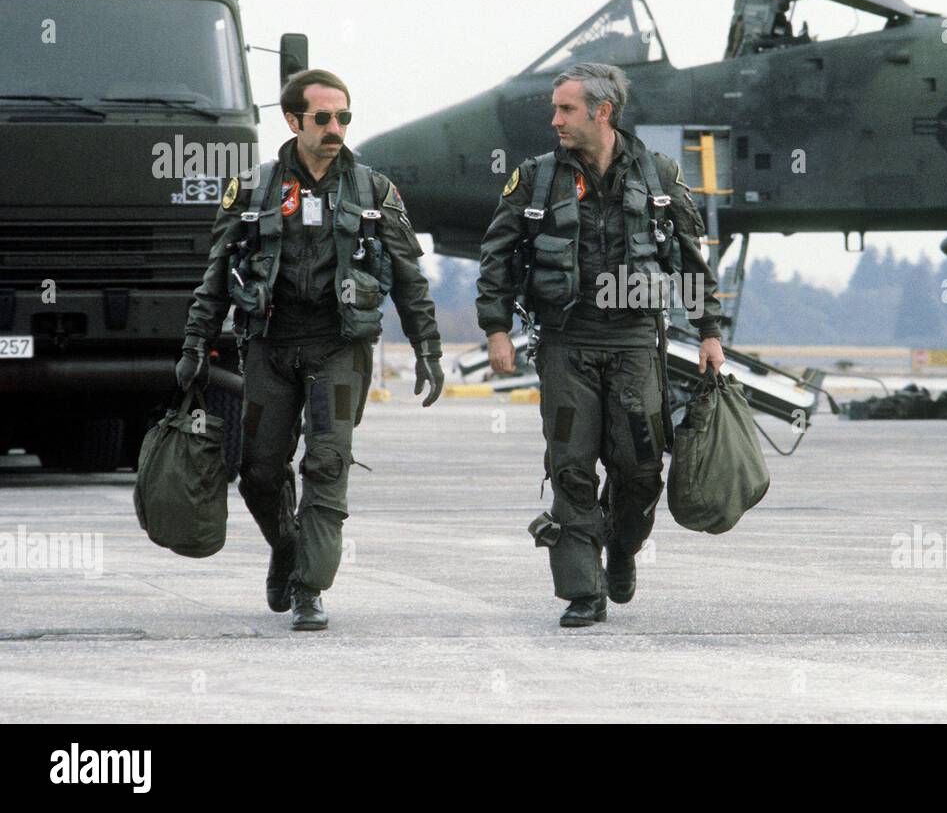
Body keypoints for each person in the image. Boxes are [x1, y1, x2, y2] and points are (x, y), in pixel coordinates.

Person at [176, 68, 444, 630]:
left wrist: (427, 346)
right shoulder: (253, 190)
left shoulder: (374, 191)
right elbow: (217, 274)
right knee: (259, 471)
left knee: (327, 463)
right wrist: (197, 342)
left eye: (343, 116)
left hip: (339, 347)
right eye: (323, 118)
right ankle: (287, 546)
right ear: (293, 120)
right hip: (270, 346)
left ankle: (309, 587)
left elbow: (409, 275)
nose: (335, 128)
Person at [477, 62, 725, 627]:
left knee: (639, 469)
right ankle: (583, 591)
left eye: (566, 109)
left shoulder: (659, 175)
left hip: (637, 342)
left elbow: (690, 257)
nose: (555, 119)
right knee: (570, 467)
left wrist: (709, 331)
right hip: (567, 341)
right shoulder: (537, 178)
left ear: (602, 111)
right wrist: (496, 329)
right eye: (555, 108)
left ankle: (622, 548)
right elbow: (498, 257)